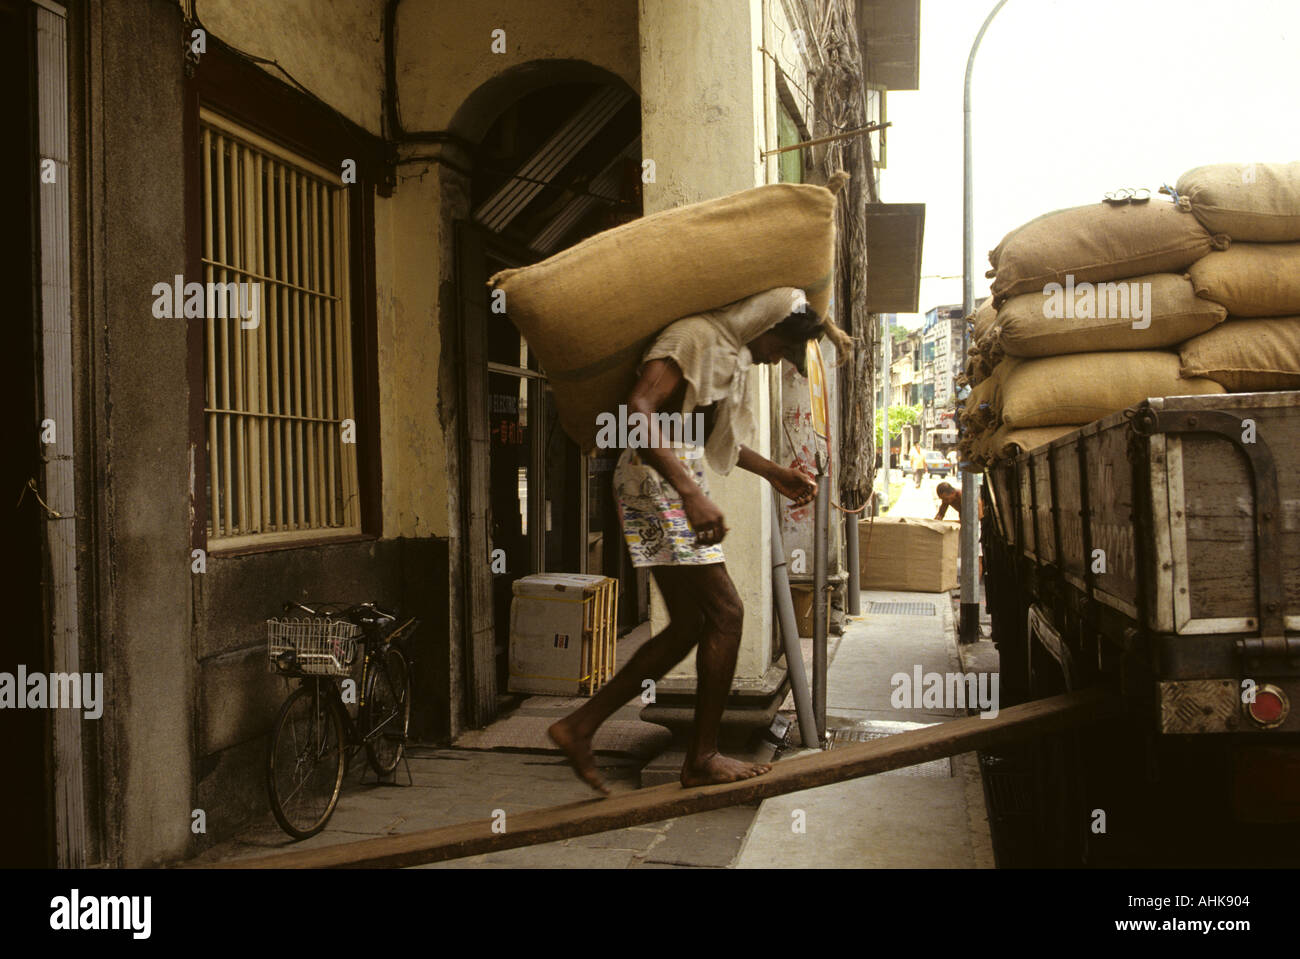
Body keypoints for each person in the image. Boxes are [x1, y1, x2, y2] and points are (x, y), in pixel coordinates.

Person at [548, 287, 836, 794]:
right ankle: (700, 758)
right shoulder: (695, 337)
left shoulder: (726, 354)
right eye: (780, 347)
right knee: (727, 613)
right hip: (654, 483)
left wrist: (774, 473)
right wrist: (689, 493)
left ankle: (579, 726)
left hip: (671, 481)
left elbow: (714, 439)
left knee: (689, 624)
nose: (775, 360)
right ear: (765, 324)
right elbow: (638, 411)